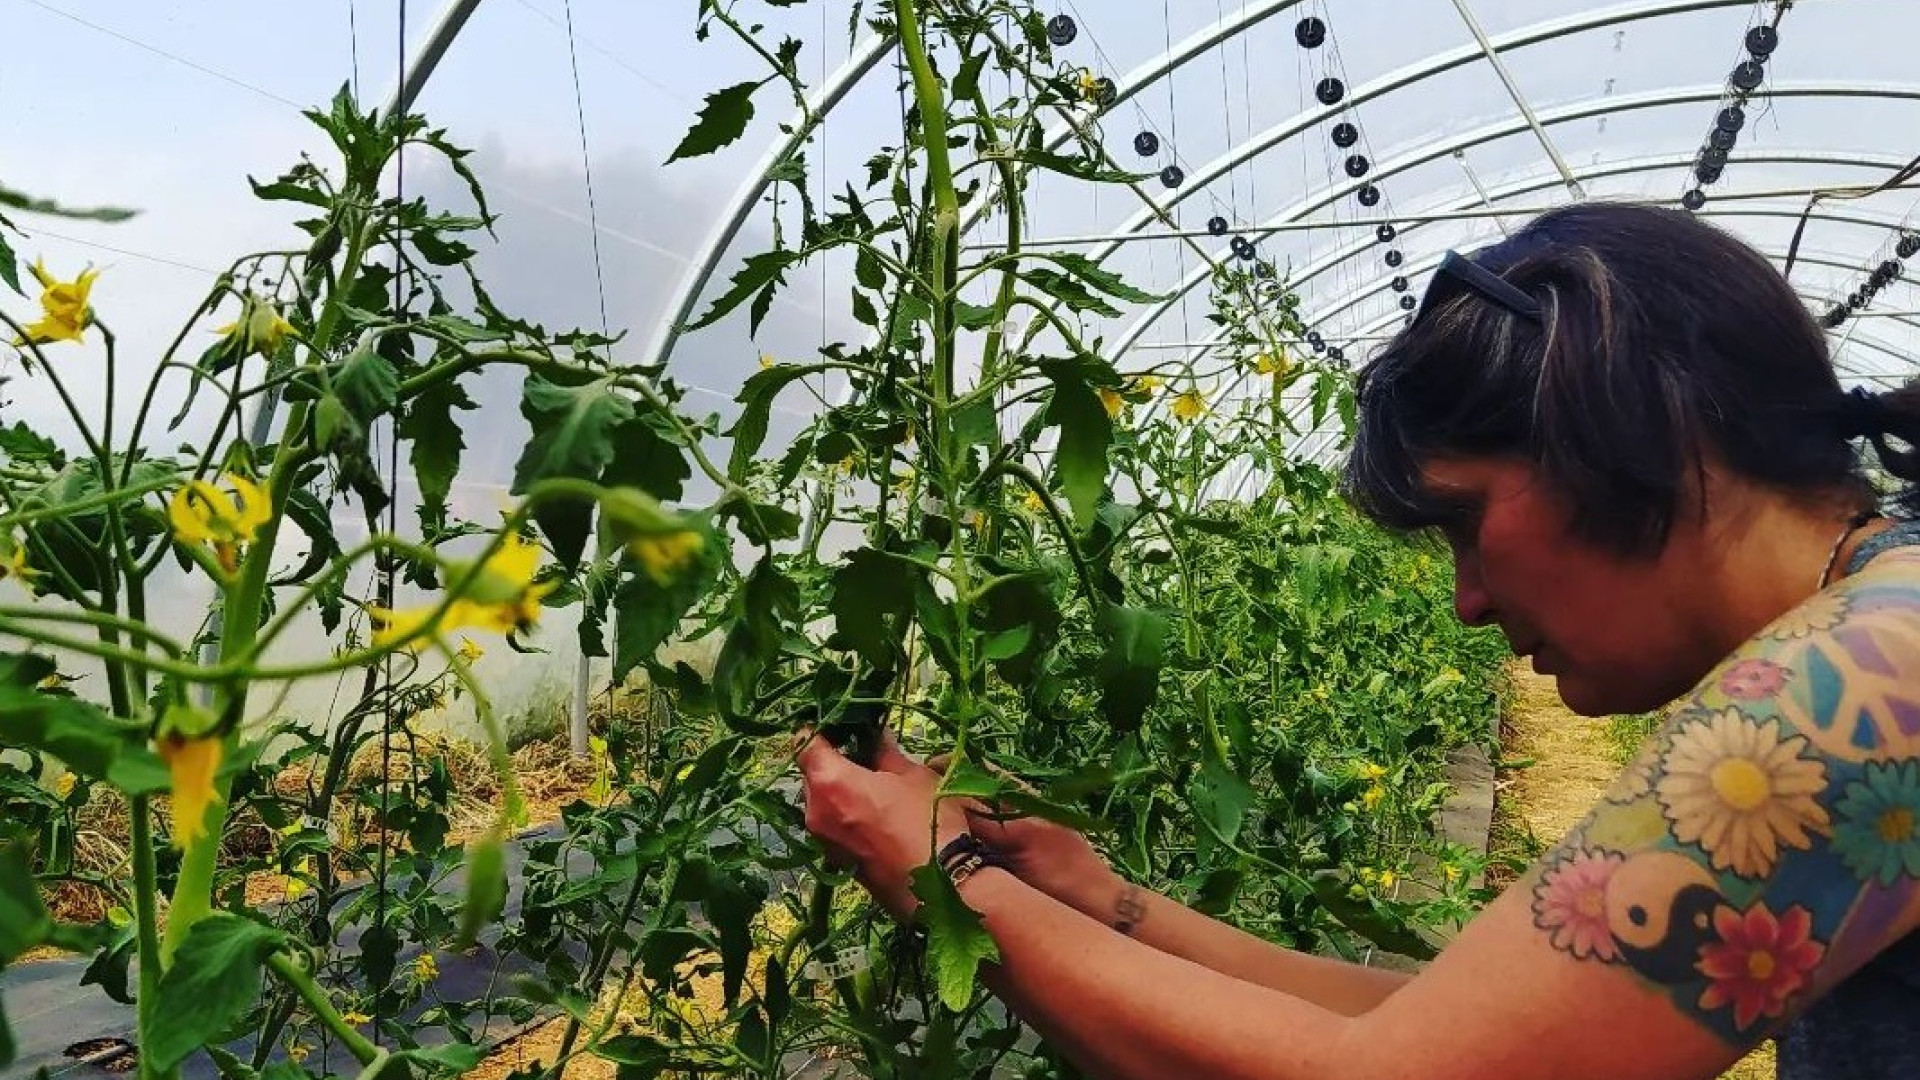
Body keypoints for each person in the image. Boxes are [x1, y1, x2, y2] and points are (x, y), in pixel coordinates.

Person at [796, 202, 1920, 1080]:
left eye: (1469, 522)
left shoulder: (1869, 682)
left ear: (1636, 430)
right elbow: (1450, 1037)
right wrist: (1100, 899)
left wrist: (941, 884)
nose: (1467, 604)